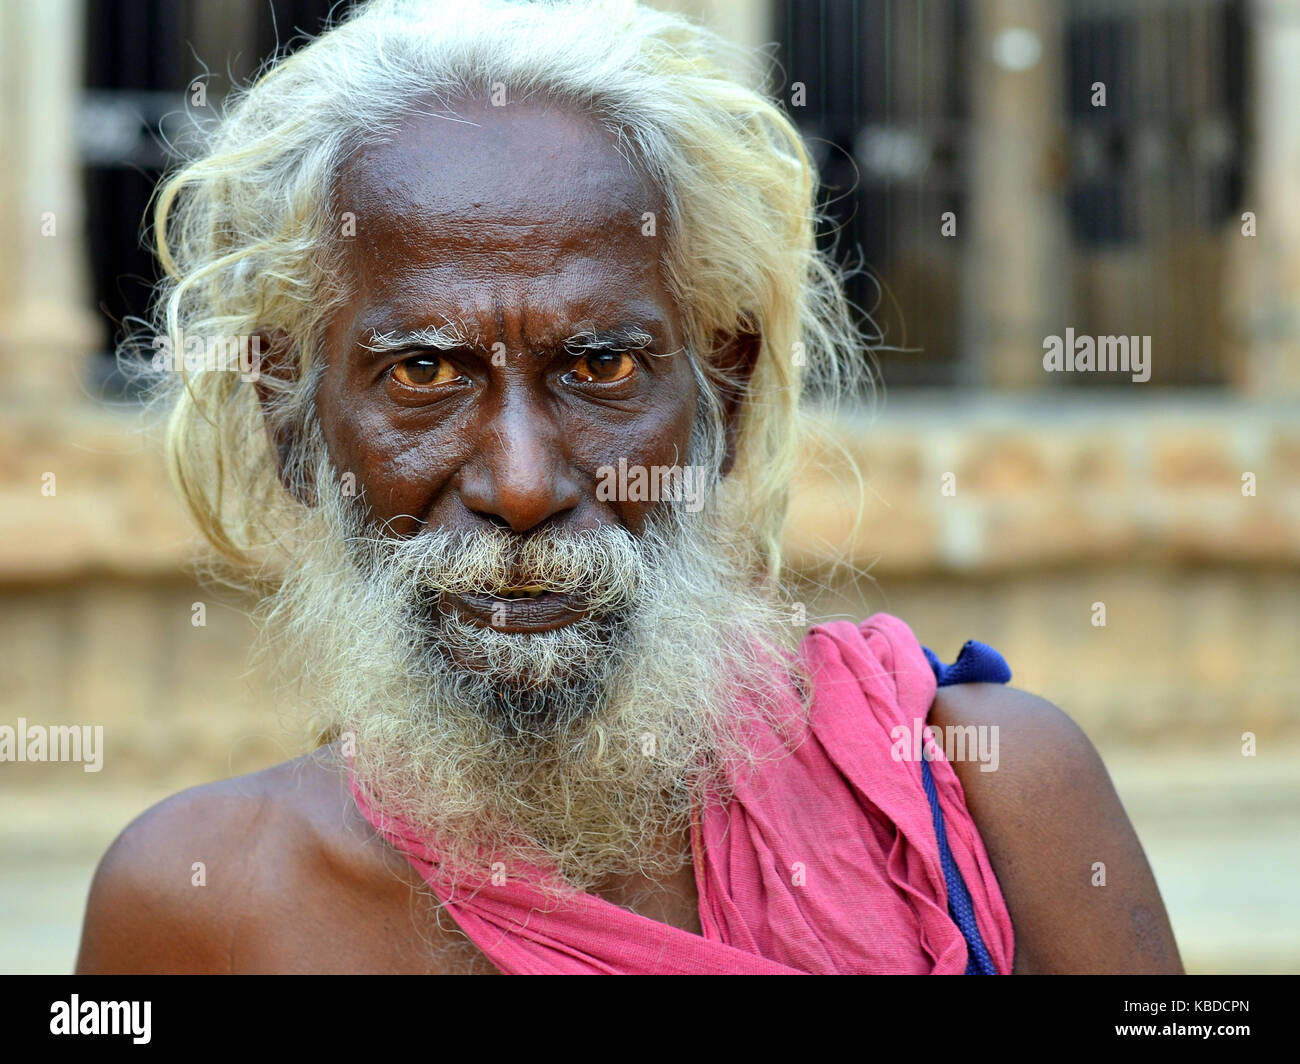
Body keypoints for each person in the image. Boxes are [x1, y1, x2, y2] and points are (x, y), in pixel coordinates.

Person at [75, 0, 1181, 974]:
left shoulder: (990, 797)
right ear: (291, 422)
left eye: (600, 366)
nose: (519, 484)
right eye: (423, 371)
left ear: (725, 399)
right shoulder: (197, 903)